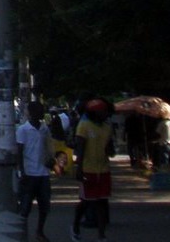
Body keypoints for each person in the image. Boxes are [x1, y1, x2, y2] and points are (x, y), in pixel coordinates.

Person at [71, 98, 113, 241]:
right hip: (88, 169)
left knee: (102, 202)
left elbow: (108, 148)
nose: (106, 114)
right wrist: (79, 168)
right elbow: (80, 149)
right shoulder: (84, 126)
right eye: (103, 111)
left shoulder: (107, 128)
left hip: (103, 169)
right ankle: (75, 226)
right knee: (87, 202)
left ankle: (101, 234)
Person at [17, 100, 55, 240]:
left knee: (44, 205)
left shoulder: (44, 129)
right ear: (31, 113)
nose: (40, 113)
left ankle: (40, 231)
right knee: (25, 207)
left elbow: (48, 147)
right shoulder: (23, 130)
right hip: (29, 173)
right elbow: (19, 152)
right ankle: (22, 233)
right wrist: (22, 171)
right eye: (38, 111)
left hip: (43, 172)